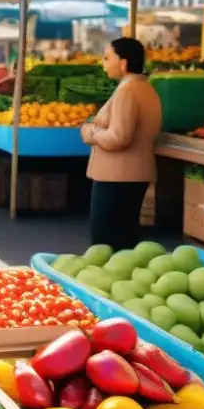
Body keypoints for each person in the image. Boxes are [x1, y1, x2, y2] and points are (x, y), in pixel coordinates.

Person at [81, 37, 162, 250]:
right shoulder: (146, 88)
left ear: (123, 63)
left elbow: (118, 137)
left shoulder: (128, 91)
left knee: (106, 243)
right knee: (124, 241)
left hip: (117, 176)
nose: (103, 63)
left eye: (107, 58)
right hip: (133, 174)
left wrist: (92, 132)